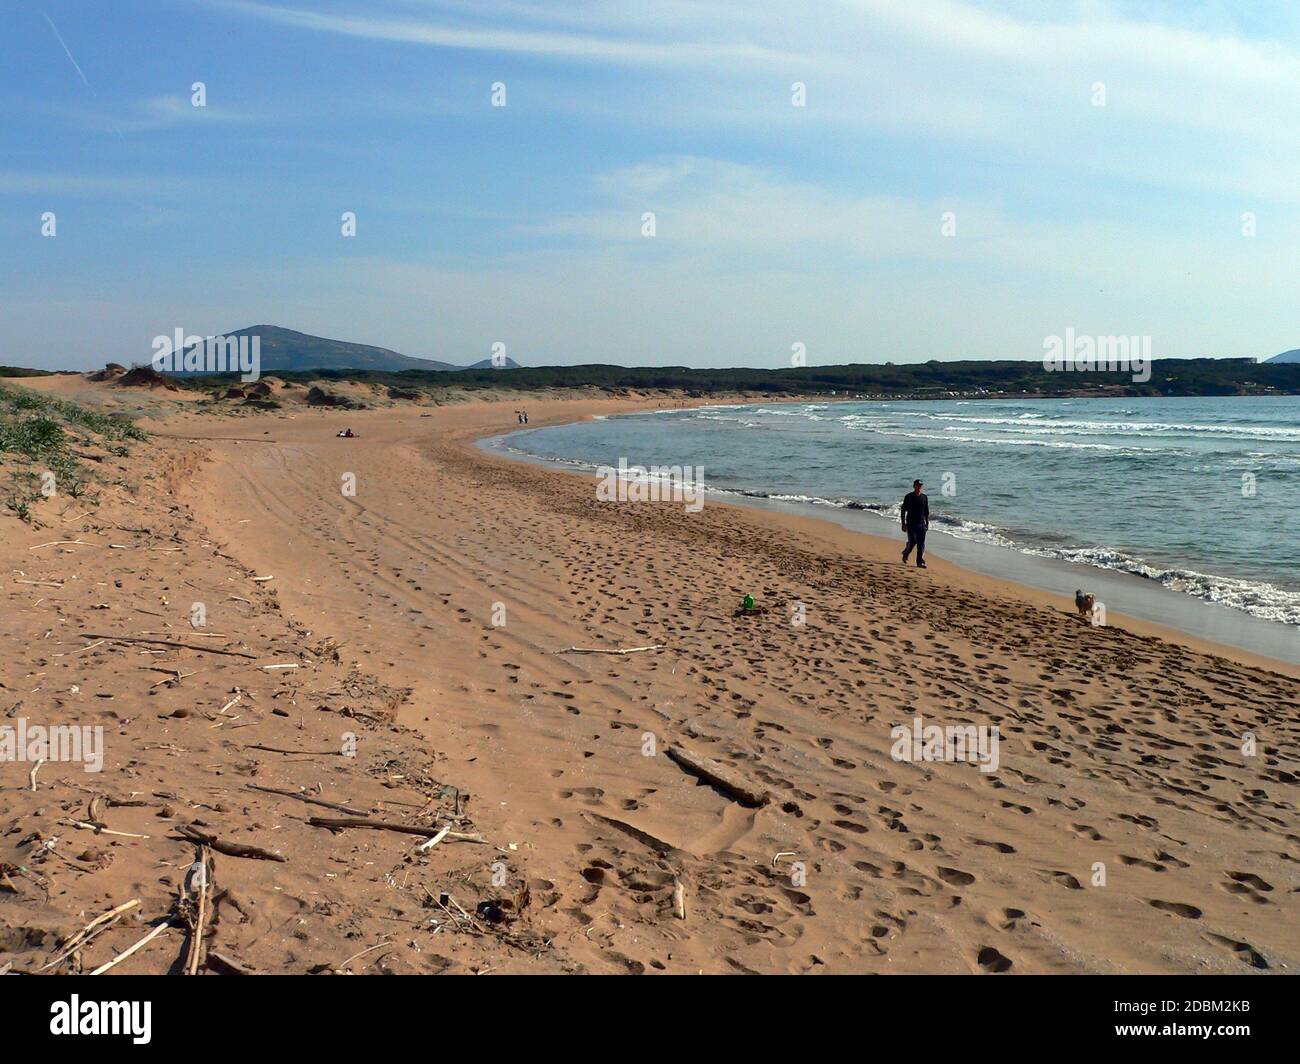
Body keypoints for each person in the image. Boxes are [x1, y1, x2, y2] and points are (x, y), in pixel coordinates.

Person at [900, 479, 929, 568]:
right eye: (918, 485)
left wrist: (927, 523)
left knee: (921, 543)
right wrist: (903, 523)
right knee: (913, 541)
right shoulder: (908, 496)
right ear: (914, 486)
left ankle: (920, 562)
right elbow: (903, 510)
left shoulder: (924, 497)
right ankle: (906, 552)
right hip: (911, 523)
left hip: (921, 524)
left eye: (921, 485)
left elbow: (926, 511)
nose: (919, 487)